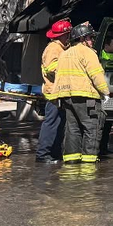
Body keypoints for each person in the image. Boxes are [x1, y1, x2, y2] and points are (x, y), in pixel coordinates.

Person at [53, 22, 110, 163]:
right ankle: (89, 164)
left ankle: (71, 162)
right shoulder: (88, 53)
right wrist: (105, 92)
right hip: (87, 98)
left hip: (67, 97)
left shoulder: (64, 54)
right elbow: (96, 74)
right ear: (82, 39)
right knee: (92, 129)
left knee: (72, 130)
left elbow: (58, 76)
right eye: (90, 38)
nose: (92, 41)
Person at [36, 19, 71, 163]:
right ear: (62, 35)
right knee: (51, 123)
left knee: (59, 123)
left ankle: (55, 154)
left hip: (60, 92)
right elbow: (51, 68)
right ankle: (43, 154)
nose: (69, 37)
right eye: (67, 34)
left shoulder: (61, 48)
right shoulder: (54, 48)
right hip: (54, 92)